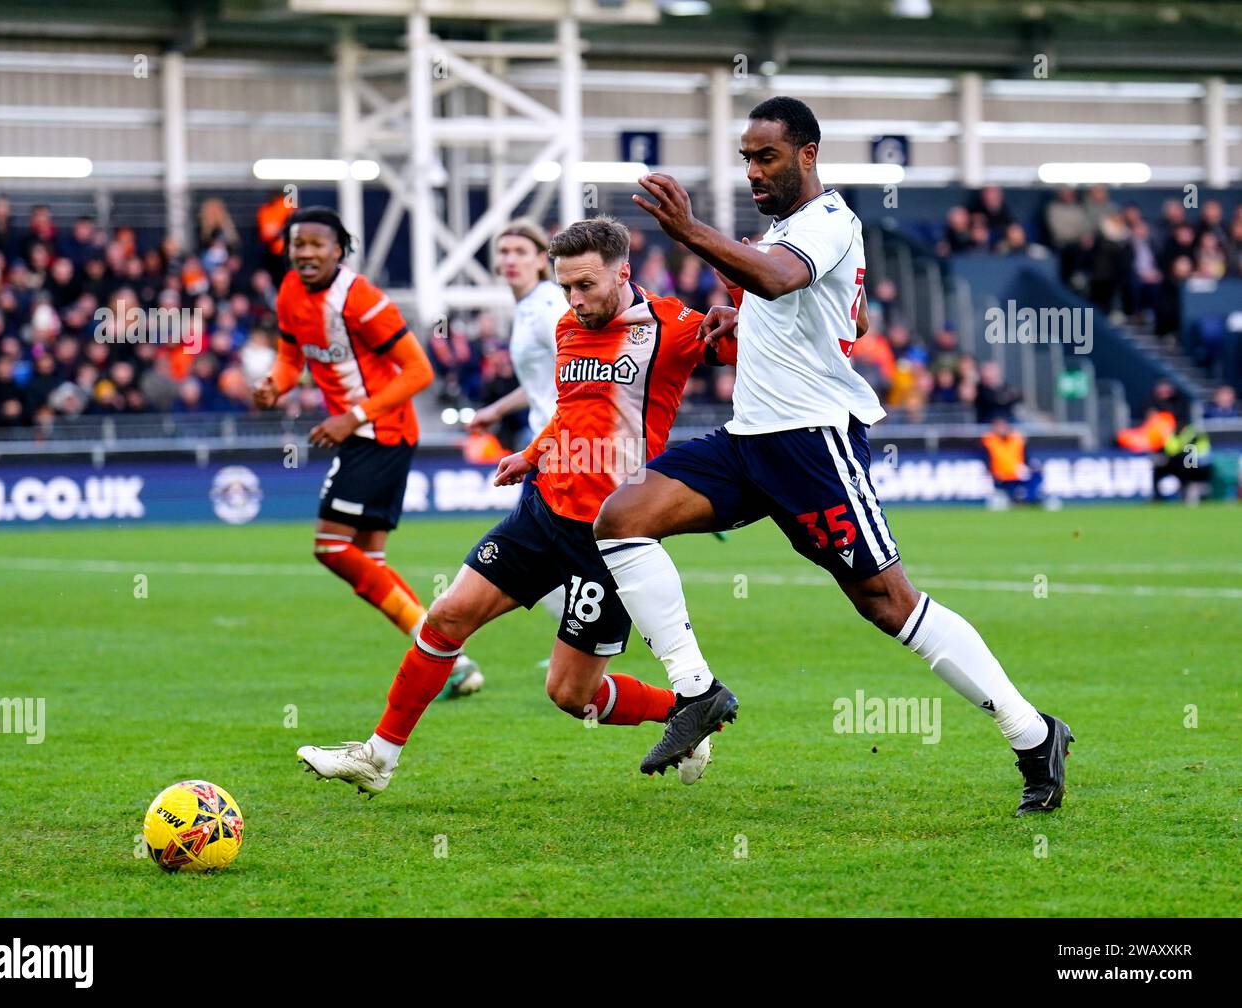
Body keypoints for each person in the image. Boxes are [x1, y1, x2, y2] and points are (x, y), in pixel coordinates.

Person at [593, 96, 1072, 817]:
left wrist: (689, 231)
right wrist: (743, 322)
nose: (754, 171)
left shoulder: (828, 221)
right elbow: (842, 311)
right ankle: (695, 691)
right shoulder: (790, 231)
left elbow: (783, 279)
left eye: (767, 157)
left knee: (889, 606)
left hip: (813, 445)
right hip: (750, 439)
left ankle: (1033, 734)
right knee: (622, 518)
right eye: (747, 159)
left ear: (807, 155)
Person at [294, 215, 737, 796]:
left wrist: (736, 299)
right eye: (566, 287)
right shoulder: (567, 328)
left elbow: (745, 343)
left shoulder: (672, 326)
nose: (575, 301)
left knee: (569, 695)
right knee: (447, 617)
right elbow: (572, 409)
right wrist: (531, 453)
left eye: (586, 286)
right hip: (542, 510)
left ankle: (685, 714)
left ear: (623, 271)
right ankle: (378, 757)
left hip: (607, 538)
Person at [251, 206, 484, 699]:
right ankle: (448, 662)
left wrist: (351, 417)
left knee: (332, 547)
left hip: (379, 432)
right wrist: (275, 384)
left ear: (339, 249)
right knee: (369, 560)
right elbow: (292, 355)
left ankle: (445, 656)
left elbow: (418, 371)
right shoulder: (291, 292)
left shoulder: (362, 300)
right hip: (363, 432)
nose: (306, 253)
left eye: (317, 244)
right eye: (298, 245)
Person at [468, 219, 568, 621]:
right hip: (545, 443)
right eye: (504, 251)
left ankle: (582, 651)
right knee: (552, 552)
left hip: (557, 447)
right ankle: (579, 649)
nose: (510, 260)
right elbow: (540, 381)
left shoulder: (548, 308)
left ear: (541, 262)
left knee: (529, 553)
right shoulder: (528, 307)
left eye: (520, 252)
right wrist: (496, 410)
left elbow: (578, 374)